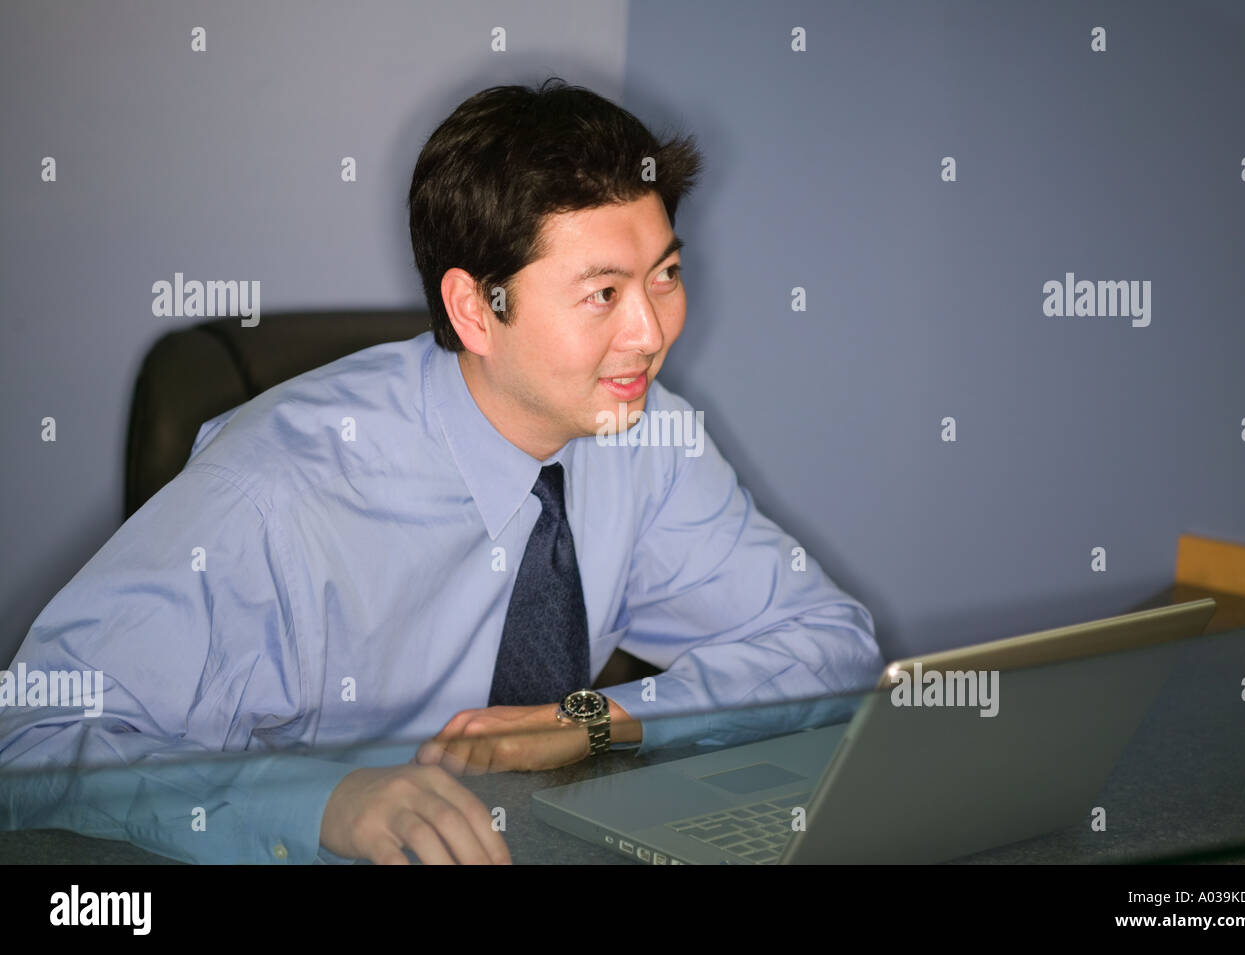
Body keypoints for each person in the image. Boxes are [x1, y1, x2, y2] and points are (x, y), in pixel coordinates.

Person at [0, 78, 882, 864]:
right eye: (604, 293)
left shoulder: (651, 442)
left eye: (668, 274)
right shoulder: (276, 490)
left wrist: (605, 717)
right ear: (474, 306)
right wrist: (317, 802)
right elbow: (31, 738)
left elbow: (833, 647)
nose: (652, 332)